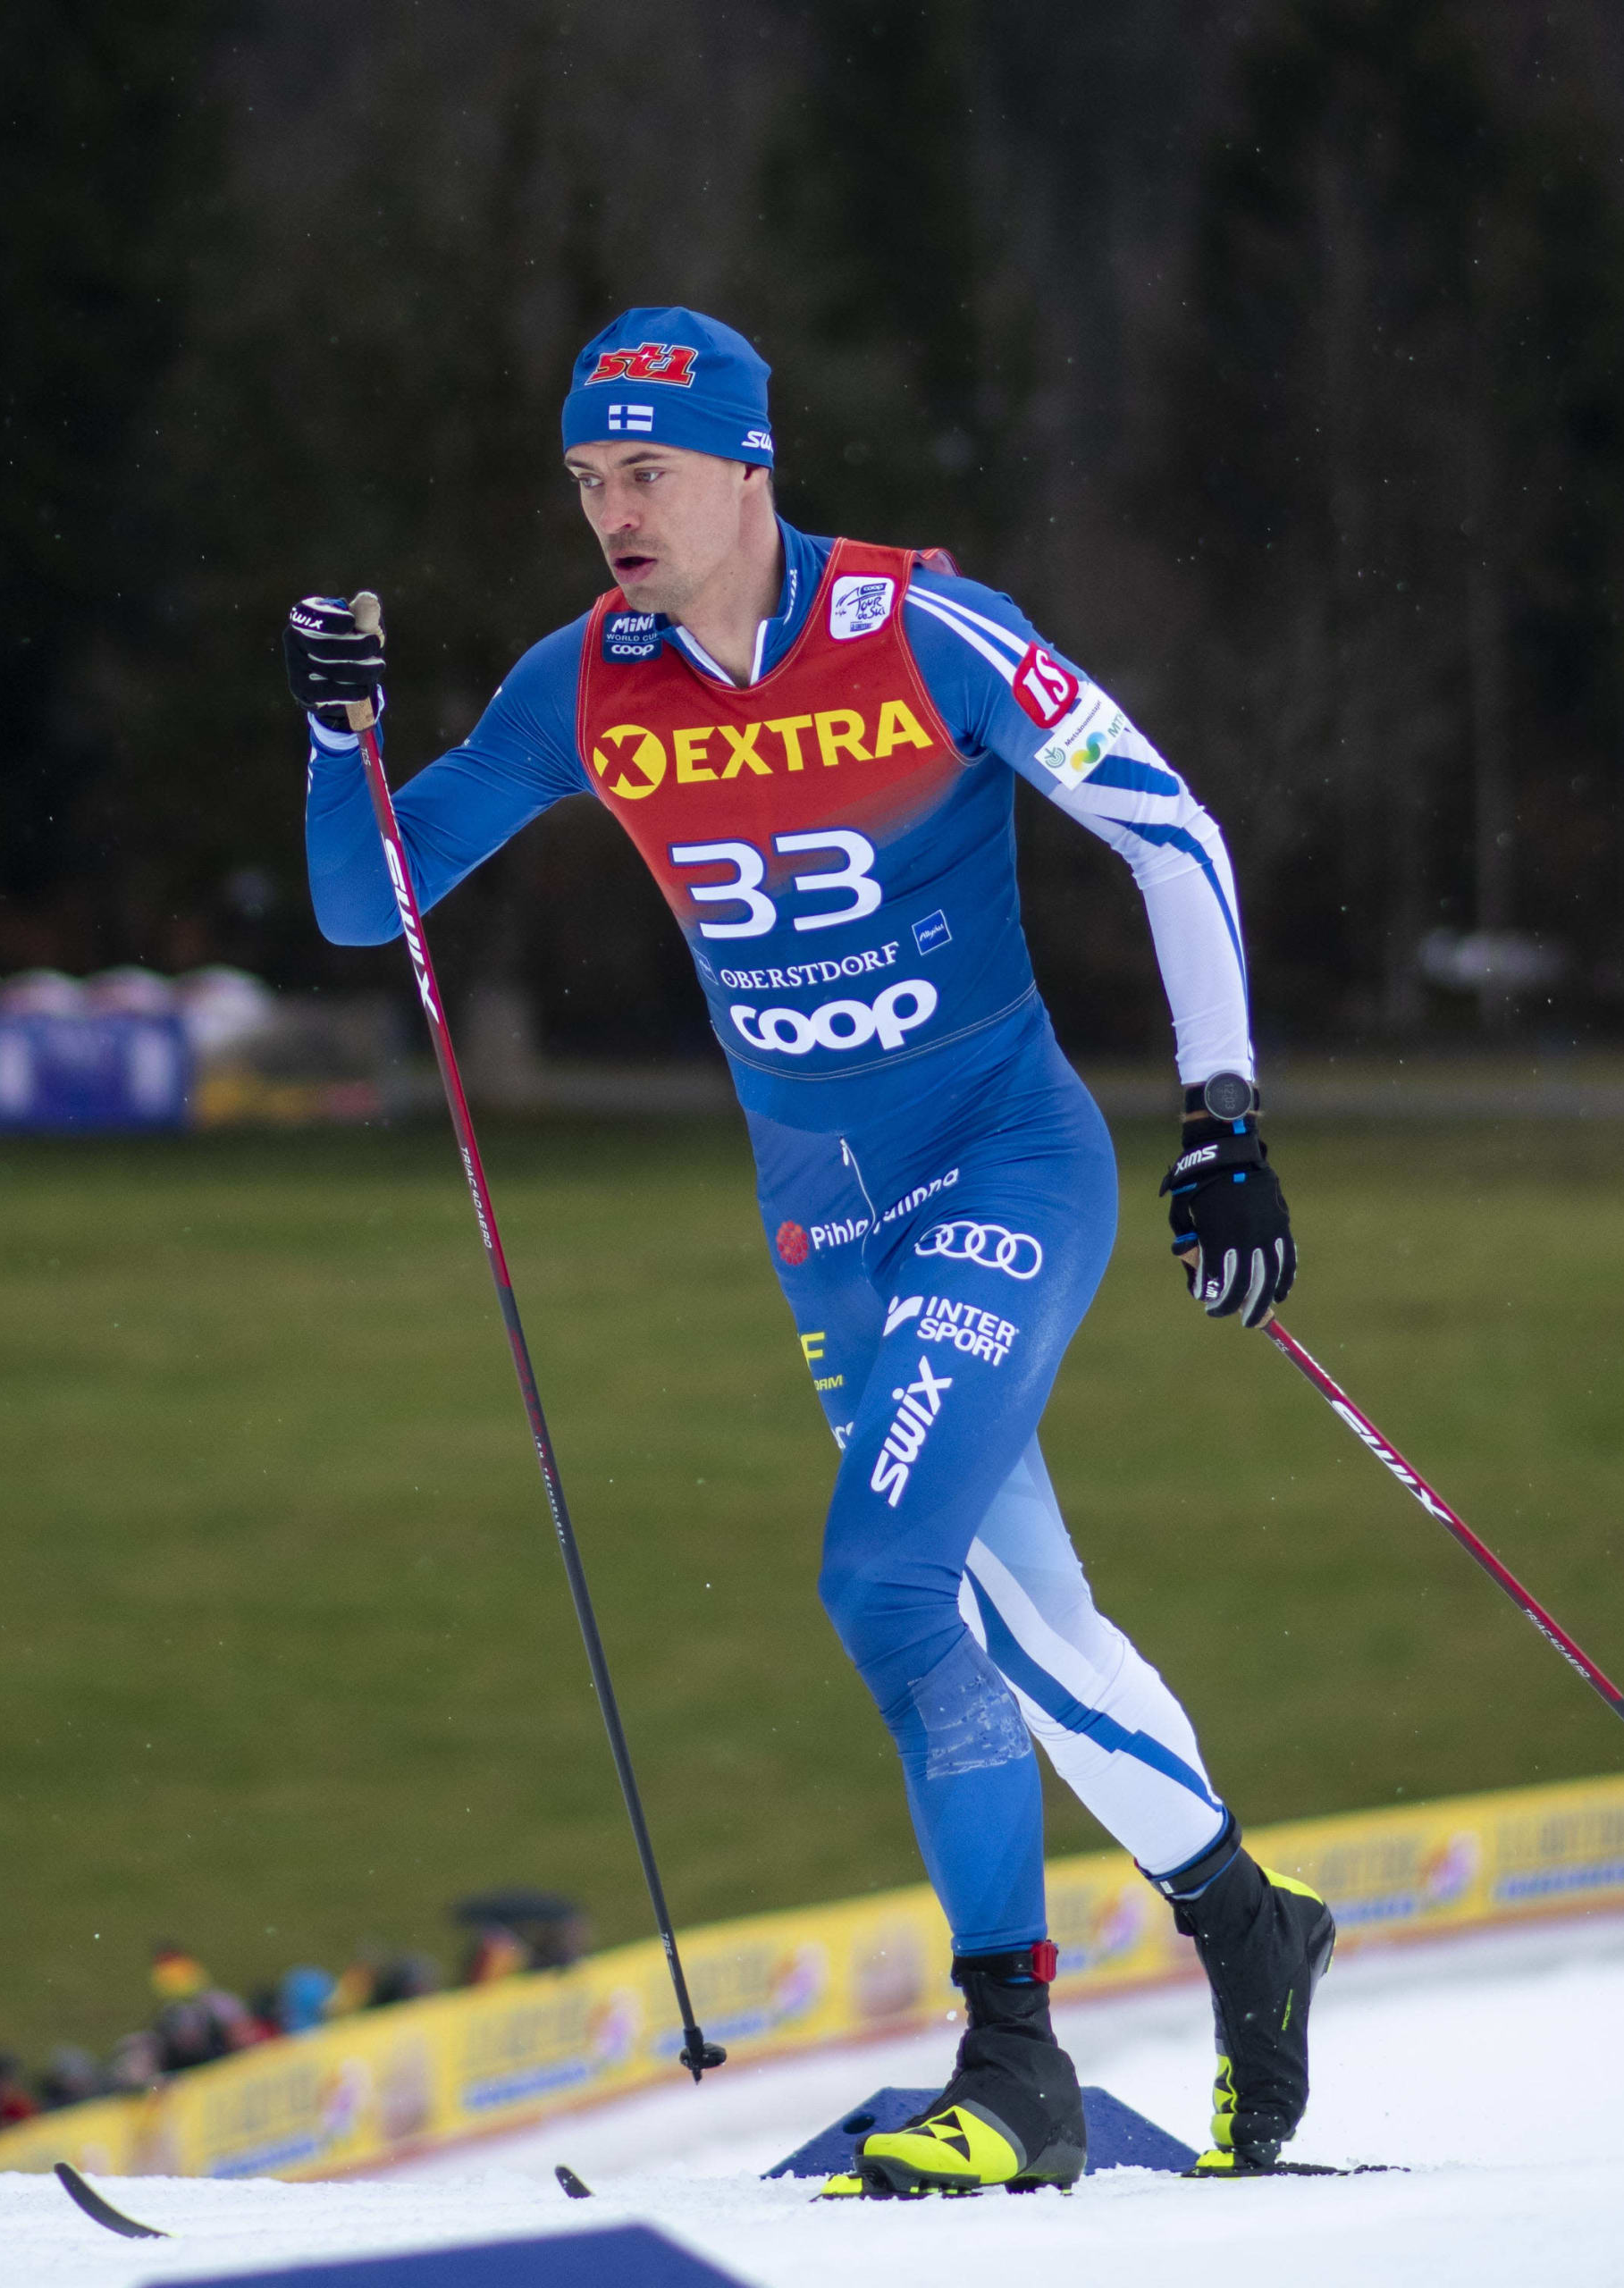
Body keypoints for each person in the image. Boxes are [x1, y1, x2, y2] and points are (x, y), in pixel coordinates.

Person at [285, 307, 1334, 2197]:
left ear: (751, 471)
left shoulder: (918, 630)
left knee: (880, 1574)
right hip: (830, 1234)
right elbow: (371, 896)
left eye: (651, 473)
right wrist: (333, 730)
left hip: (1007, 1168)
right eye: (591, 478)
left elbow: (1167, 825)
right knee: (1026, 1627)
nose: (616, 511)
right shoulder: (580, 684)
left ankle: (1015, 2064)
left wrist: (1225, 1119)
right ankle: (1251, 1924)